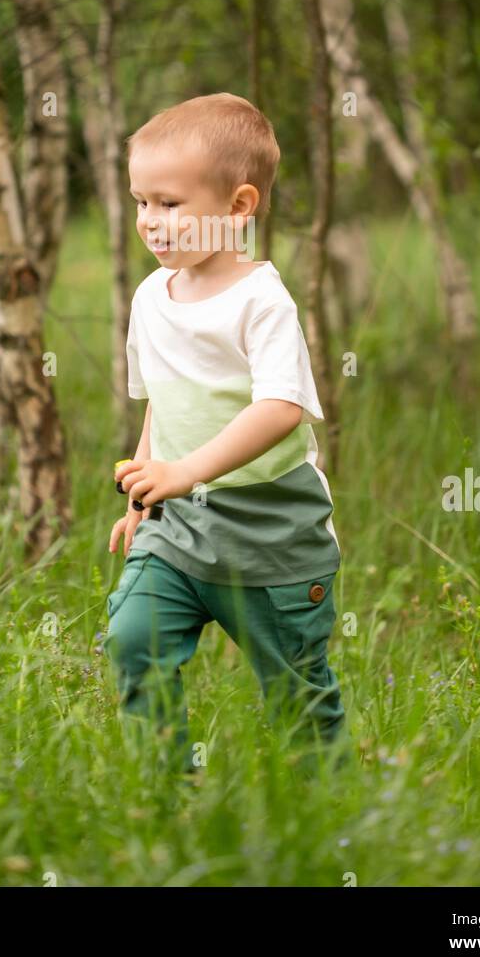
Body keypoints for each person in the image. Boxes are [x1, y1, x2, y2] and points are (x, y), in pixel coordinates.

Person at [104, 92, 346, 777]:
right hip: (177, 527)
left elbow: (281, 408)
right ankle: (166, 790)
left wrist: (187, 472)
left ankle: (330, 814)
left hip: (271, 534)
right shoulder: (152, 296)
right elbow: (162, 401)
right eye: (141, 202)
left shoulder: (261, 301)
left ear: (239, 207)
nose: (152, 222)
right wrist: (146, 488)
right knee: (133, 638)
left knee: (296, 693)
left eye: (171, 204)